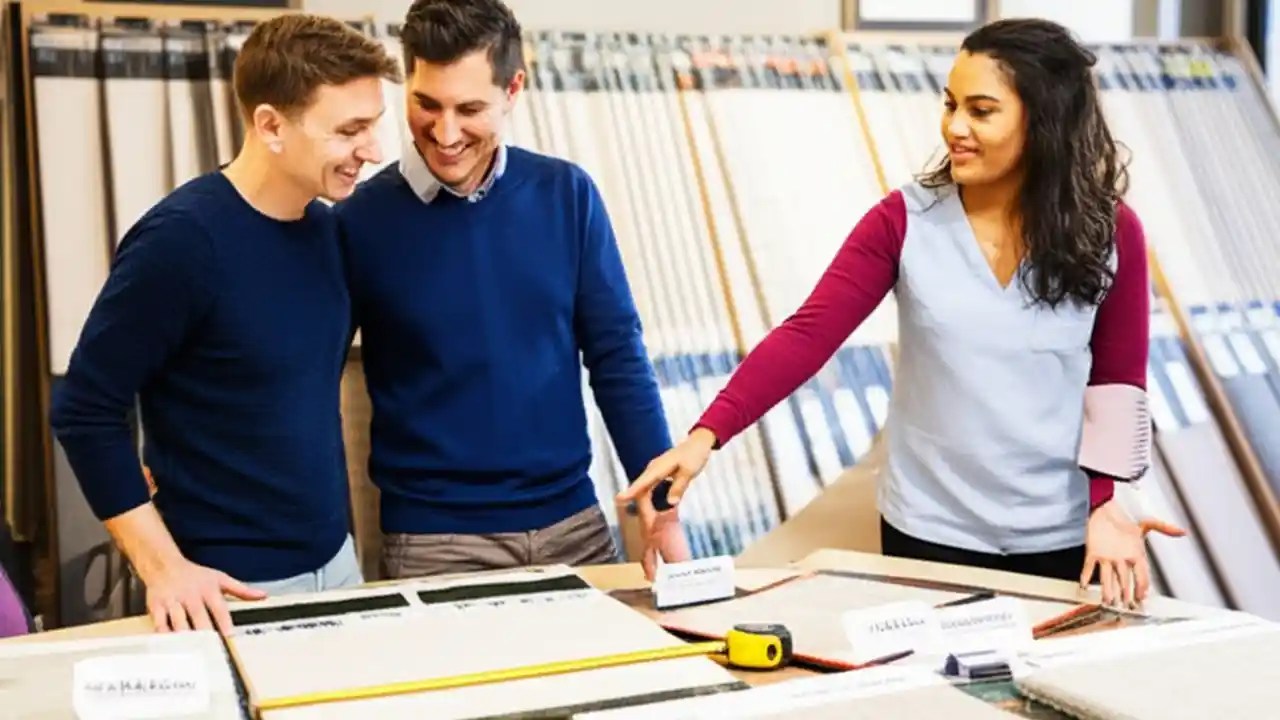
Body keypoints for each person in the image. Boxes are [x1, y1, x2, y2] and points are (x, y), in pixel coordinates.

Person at [621, 18, 1185, 607]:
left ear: (1045, 120)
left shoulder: (1112, 232)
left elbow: (1118, 384)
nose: (955, 127)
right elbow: (808, 335)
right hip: (930, 532)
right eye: (950, 104)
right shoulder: (902, 221)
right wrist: (705, 437)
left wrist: (1107, 503)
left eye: (981, 111)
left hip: (1064, 534)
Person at [49, 15, 402, 635]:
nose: (372, 150)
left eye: (372, 125)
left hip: (337, 567)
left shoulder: (327, 232)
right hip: (225, 591)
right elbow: (84, 410)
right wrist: (164, 569)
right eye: (349, 130)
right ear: (270, 126)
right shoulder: (181, 242)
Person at [335, 0, 689, 581]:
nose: (446, 133)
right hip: (435, 545)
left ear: (513, 89)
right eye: (427, 105)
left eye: (470, 109)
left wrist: (661, 507)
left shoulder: (567, 195)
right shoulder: (358, 221)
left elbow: (617, 356)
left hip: (575, 527)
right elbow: (306, 384)